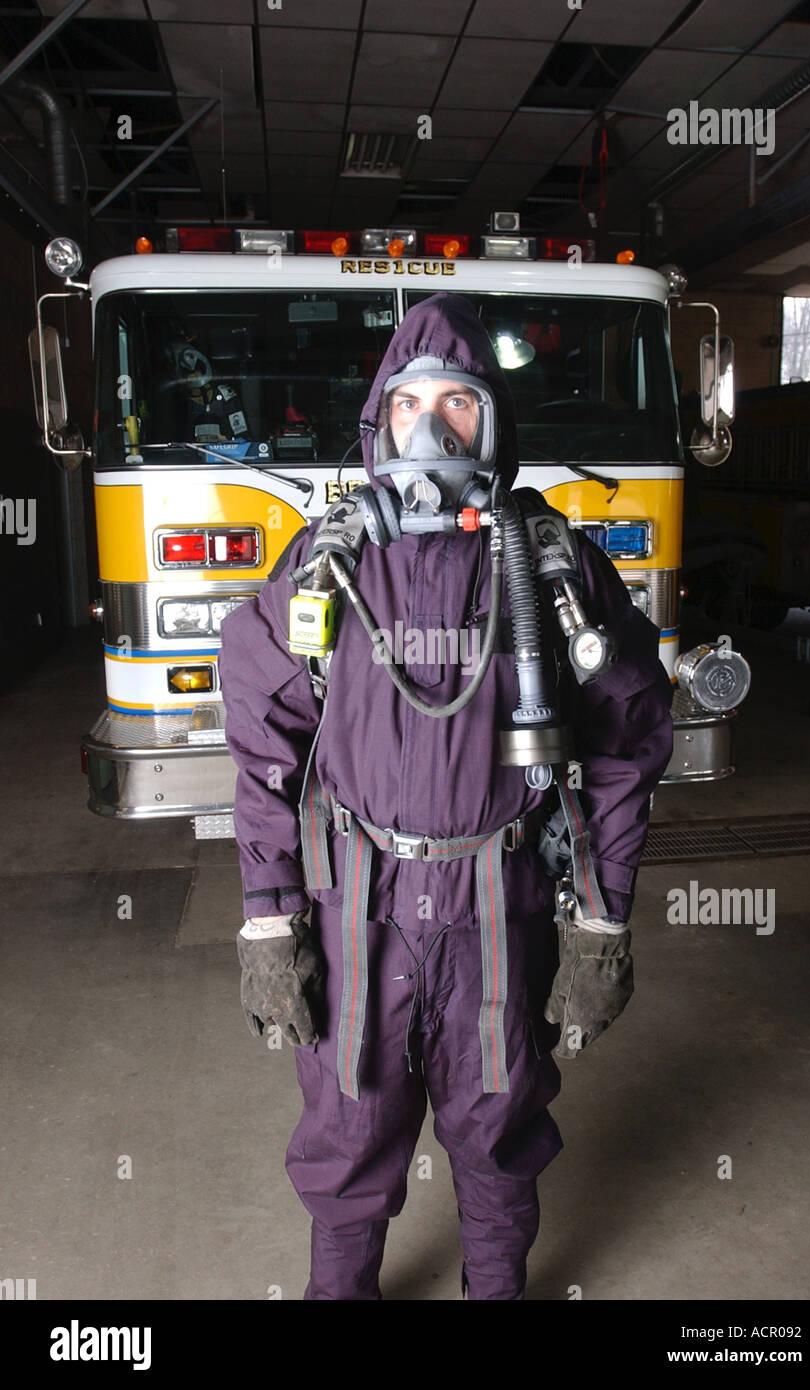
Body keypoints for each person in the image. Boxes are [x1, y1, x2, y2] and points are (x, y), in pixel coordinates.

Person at [218, 291, 673, 1301]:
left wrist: (604, 920)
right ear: (380, 418)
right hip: (356, 919)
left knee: (498, 1134)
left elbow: (627, 738)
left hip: (496, 922)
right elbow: (259, 729)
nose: (433, 427)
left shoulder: (554, 568)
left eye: (459, 404)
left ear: (494, 422)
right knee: (347, 1135)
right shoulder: (327, 565)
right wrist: (267, 916)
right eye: (412, 401)